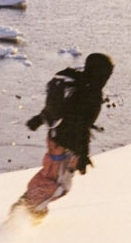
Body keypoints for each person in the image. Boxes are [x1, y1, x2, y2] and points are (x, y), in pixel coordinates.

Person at [13, 52, 114, 220]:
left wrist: (39, 119)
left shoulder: (78, 83)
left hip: (56, 138)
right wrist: (83, 155)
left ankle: (32, 206)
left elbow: (62, 109)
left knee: (52, 176)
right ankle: (26, 210)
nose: (108, 76)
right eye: (108, 72)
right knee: (58, 183)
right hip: (65, 143)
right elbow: (81, 125)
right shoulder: (90, 92)